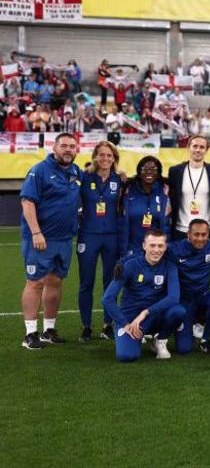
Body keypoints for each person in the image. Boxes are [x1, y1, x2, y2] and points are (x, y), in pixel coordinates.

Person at [20, 133, 81, 349]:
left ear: (76, 150)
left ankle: (48, 329)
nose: (68, 149)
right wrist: (36, 232)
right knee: (35, 282)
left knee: (55, 282)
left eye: (72, 146)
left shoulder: (75, 171)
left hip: (64, 239)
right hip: (40, 239)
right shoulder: (39, 170)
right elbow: (27, 202)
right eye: (63, 145)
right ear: (54, 148)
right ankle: (30, 334)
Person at [101, 230, 184, 362]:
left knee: (179, 311)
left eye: (160, 246)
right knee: (127, 356)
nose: (156, 250)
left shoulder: (170, 266)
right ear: (144, 246)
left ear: (165, 247)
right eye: (152, 245)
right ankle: (137, 337)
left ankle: (160, 339)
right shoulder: (129, 265)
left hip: (154, 315)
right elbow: (107, 299)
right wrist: (125, 324)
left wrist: (146, 312)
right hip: (131, 318)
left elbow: (174, 297)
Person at [77, 141, 125, 341]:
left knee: (110, 281)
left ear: (114, 159)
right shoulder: (84, 176)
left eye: (110, 155)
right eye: (102, 155)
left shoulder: (120, 180)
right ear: (95, 156)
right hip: (88, 235)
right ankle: (86, 326)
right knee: (86, 283)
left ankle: (108, 324)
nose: (105, 159)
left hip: (112, 236)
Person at [165, 219, 210, 355]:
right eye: (196, 234)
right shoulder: (174, 249)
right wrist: (123, 262)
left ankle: (205, 340)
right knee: (184, 349)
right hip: (184, 301)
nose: (200, 238)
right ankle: (190, 324)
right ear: (188, 234)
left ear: (208, 234)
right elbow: (150, 251)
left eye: (204, 234)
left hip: (203, 295)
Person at [167, 135, 210, 241]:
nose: (198, 150)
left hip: (207, 230)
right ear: (188, 147)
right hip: (182, 229)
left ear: (207, 150)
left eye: (202, 147)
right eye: (195, 146)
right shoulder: (175, 171)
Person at [121, 156, 169, 257]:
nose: (149, 172)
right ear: (139, 171)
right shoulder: (128, 189)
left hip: (156, 249)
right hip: (132, 248)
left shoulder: (165, 190)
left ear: (159, 172)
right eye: (145, 169)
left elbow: (166, 223)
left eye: (153, 169)